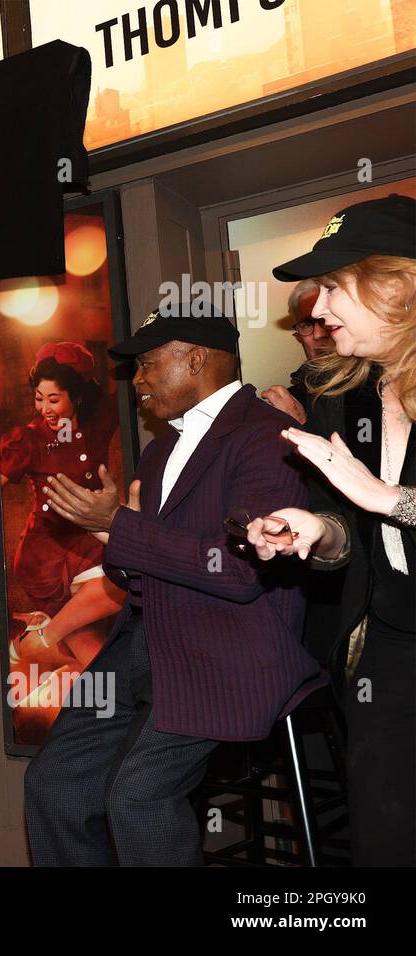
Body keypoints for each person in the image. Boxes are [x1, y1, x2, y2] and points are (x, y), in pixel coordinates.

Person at [27, 299, 325, 866]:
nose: (136, 380)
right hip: (146, 641)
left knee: (138, 798)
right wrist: (117, 537)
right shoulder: (161, 449)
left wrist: (119, 526)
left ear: (196, 360)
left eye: (147, 364)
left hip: (224, 649)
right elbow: (136, 577)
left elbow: (241, 572)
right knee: (54, 787)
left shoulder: (269, 436)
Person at [246, 193, 415, 866]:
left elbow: (382, 504)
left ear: (398, 286)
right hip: (390, 655)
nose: (316, 310)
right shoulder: (348, 398)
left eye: (334, 287)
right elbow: (353, 529)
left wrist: (391, 499)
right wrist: (313, 529)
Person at [0, 341, 126, 672]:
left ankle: (35, 642)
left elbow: (126, 379)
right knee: (97, 666)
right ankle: (39, 643)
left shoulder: (99, 419)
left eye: (54, 399)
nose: (45, 409)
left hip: (89, 544)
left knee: (127, 581)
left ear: (78, 397)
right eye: (39, 399)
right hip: (45, 557)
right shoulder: (28, 439)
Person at [261, 280, 332, 425]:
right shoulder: (290, 401)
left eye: (324, 320)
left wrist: (299, 424)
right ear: (298, 335)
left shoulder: (376, 388)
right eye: (306, 325)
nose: (318, 335)